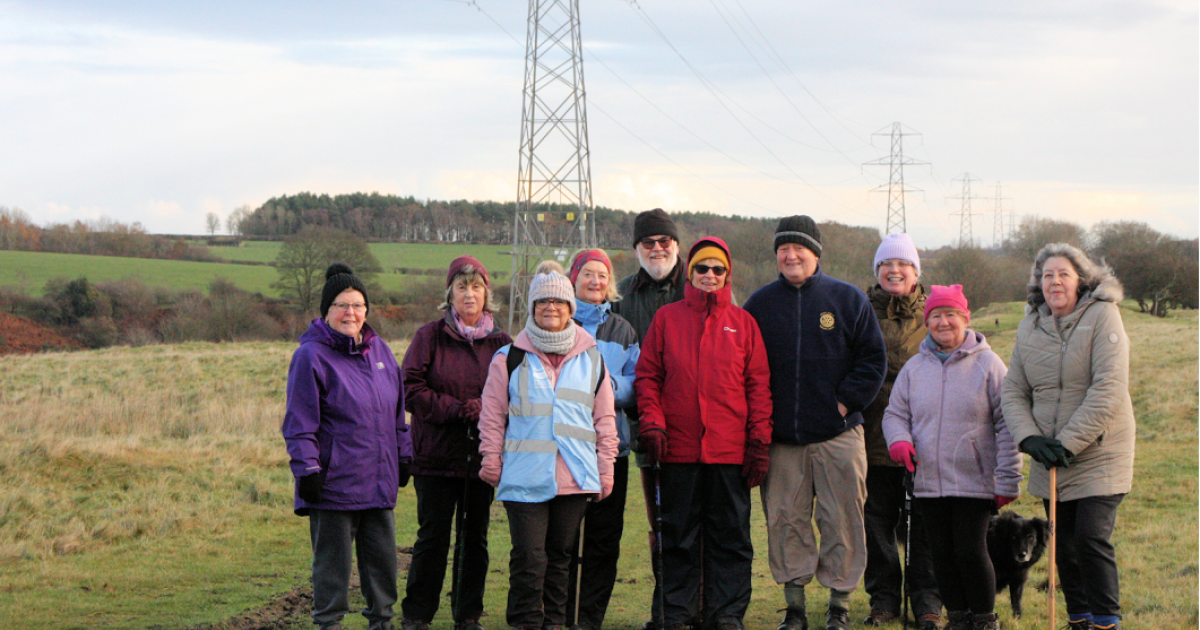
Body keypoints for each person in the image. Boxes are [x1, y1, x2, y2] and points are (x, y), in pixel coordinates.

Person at [743, 216, 887, 630]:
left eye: (798, 248)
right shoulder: (760, 305)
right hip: (782, 440)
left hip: (838, 436)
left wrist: (842, 404)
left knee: (842, 519)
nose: (790, 256)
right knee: (785, 521)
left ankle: (839, 605)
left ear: (815, 253)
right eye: (783, 250)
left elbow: (872, 360)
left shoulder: (848, 299)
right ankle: (795, 608)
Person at [635, 236, 773, 630]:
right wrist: (653, 421)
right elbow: (648, 376)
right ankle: (675, 613)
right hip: (677, 451)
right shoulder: (667, 319)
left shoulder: (744, 324)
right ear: (690, 272)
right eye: (701, 269)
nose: (709, 276)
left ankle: (725, 614)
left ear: (728, 275)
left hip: (730, 454)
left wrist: (759, 441)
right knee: (677, 538)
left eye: (717, 270)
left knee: (730, 539)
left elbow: (758, 386)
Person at [1002, 244, 1135, 630]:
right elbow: (1013, 390)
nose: (1054, 281)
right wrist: (1029, 439)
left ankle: (1107, 622)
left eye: (1063, 273)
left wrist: (1069, 442)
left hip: (1100, 450)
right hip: (1048, 456)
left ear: (1081, 279)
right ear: (1038, 284)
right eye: (1047, 275)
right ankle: (1080, 620)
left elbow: (1109, 388)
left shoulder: (1103, 316)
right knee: (1064, 548)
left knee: (1090, 539)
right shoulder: (1030, 324)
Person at [477, 268, 619, 630]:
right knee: (528, 559)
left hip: (575, 478)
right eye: (542, 301)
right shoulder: (507, 359)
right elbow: (492, 418)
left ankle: (554, 624)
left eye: (558, 300)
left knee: (560, 561)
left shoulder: (593, 358)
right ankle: (526, 623)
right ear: (532, 307)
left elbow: (604, 422)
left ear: (570, 307)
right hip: (524, 478)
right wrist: (491, 461)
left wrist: (606, 471)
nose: (550, 307)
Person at [882, 284, 1022, 630]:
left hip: (975, 481)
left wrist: (1007, 479)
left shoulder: (989, 365)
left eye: (951, 315)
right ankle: (958, 618)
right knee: (941, 556)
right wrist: (899, 440)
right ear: (927, 322)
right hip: (928, 480)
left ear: (965, 319)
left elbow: (1008, 424)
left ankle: (985, 620)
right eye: (935, 316)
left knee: (971, 552)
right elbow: (895, 414)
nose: (943, 323)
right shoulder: (915, 368)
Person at [282, 263, 412, 630]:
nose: (349, 313)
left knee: (383, 572)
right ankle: (329, 625)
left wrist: (404, 455)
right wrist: (307, 469)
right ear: (326, 311)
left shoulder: (382, 352)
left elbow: (396, 413)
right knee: (332, 573)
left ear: (366, 310)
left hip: (378, 482)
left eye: (356, 305)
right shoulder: (311, 356)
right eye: (341, 305)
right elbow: (300, 422)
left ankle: (382, 625)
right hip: (333, 485)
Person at [400, 256, 512, 630]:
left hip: (481, 457)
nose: (469, 294)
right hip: (434, 457)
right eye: (462, 287)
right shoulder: (428, 337)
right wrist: (453, 409)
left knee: (474, 538)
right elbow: (410, 389)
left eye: (476, 286)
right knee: (432, 537)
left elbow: (516, 392)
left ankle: (467, 615)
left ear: (486, 294)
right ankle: (417, 614)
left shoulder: (502, 342)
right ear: (450, 293)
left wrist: (487, 406)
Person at [610, 208, 691, 629]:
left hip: (696, 431)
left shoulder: (698, 287)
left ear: (677, 244)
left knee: (697, 520)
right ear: (637, 248)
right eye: (648, 243)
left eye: (664, 241)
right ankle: (666, 609)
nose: (657, 249)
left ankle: (699, 605)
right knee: (660, 522)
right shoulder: (621, 295)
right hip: (645, 431)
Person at [859, 234, 943, 629]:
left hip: (927, 437)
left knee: (925, 524)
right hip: (872, 436)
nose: (895, 270)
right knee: (875, 521)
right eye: (886, 264)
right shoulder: (858, 310)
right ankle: (885, 599)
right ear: (877, 271)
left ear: (916, 271)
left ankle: (927, 599)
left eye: (903, 264)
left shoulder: (936, 312)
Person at [567, 249, 641, 630]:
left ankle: (589, 618)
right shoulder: (556, 320)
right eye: (587, 274)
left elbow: (636, 386)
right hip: (563, 452)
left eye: (602, 275)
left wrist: (606, 387)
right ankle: (561, 614)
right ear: (573, 278)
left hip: (612, 451)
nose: (595, 281)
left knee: (603, 542)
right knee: (563, 540)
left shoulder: (623, 330)